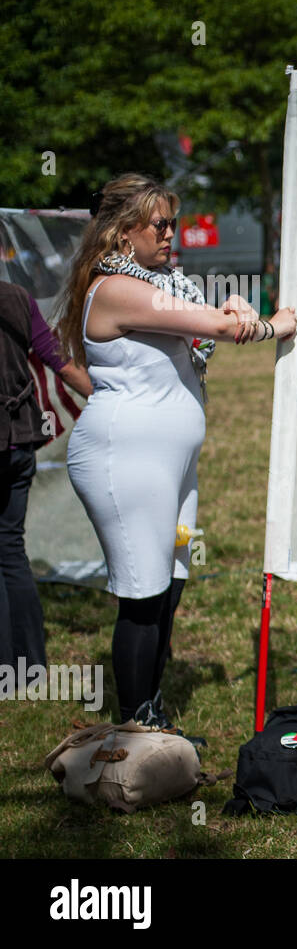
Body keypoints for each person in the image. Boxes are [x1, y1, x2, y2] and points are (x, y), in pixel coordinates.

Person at [56, 173, 297, 728]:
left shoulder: (161, 282)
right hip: (127, 459)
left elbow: (207, 320)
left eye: (173, 221)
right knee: (142, 595)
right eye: (159, 223)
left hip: (170, 464)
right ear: (122, 234)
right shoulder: (116, 288)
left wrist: (235, 309)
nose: (171, 233)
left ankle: (153, 714)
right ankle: (135, 731)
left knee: (170, 586)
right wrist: (271, 323)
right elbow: (215, 324)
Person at [1, 280, 92, 672]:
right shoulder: (17, 297)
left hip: (13, 439)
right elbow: (63, 364)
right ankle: (28, 663)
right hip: (18, 441)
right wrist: (113, 397)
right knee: (10, 550)